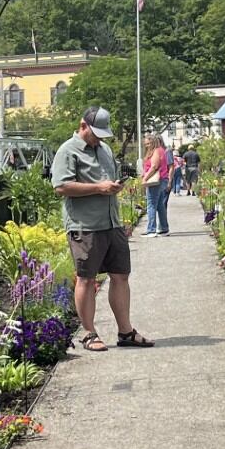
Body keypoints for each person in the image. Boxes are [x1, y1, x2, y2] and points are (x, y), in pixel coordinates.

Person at [50, 107, 152, 350]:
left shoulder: (104, 149)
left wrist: (114, 187)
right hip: (85, 226)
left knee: (121, 275)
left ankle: (125, 332)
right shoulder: (67, 151)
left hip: (111, 222)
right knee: (86, 278)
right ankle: (88, 333)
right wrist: (98, 188)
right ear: (82, 125)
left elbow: (108, 179)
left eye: (102, 135)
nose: (98, 139)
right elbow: (61, 186)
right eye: (95, 133)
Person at [141, 132, 172, 236]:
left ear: (153, 142)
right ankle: (164, 228)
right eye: (146, 144)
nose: (147, 145)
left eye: (148, 143)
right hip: (162, 180)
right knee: (159, 205)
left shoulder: (156, 151)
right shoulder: (161, 150)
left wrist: (145, 178)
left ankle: (151, 230)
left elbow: (154, 166)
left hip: (156, 181)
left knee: (151, 205)